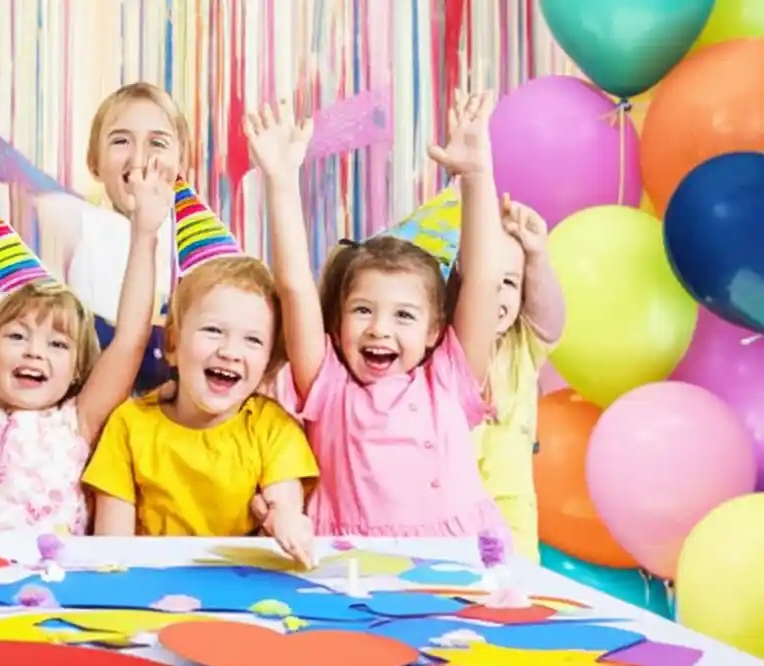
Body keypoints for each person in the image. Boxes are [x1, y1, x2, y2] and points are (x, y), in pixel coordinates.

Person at [246, 93, 511, 550]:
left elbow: (484, 280)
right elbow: (294, 288)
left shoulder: (448, 378)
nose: (379, 329)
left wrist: (477, 175)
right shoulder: (327, 388)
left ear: (434, 331)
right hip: (351, 562)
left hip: (458, 556)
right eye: (363, 310)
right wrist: (281, 180)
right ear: (338, 320)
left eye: (404, 315)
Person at [0, 157, 172, 534]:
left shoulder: (78, 422)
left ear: (77, 368)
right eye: (17, 336)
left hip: (56, 588)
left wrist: (144, 234)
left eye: (57, 343)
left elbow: (130, 339)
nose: (34, 352)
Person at [83, 186, 319, 568]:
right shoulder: (128, 426)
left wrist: (287, 518)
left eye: (253, 339)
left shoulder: (272, 428)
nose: (230, 350)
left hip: (243, 596)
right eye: (213, 330)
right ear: (173, 343)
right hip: (150, 595)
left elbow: (285, 502)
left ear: (269, 362)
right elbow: (110, 552)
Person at [37, 82, 201, 394]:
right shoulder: (71, 224)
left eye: (158, 142)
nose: (140, 157)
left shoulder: (198, 245)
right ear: (94, 162)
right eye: (121, 141)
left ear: (183, 161)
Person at [450, 195, 564, 561]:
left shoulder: (520, 345)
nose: (494, 294)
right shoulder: (437, 348)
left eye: (509, 283)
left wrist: (537, 257)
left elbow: (550, 320)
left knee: (512, 604)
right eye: (482, 280)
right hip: (447, 518)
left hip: (512, 521)